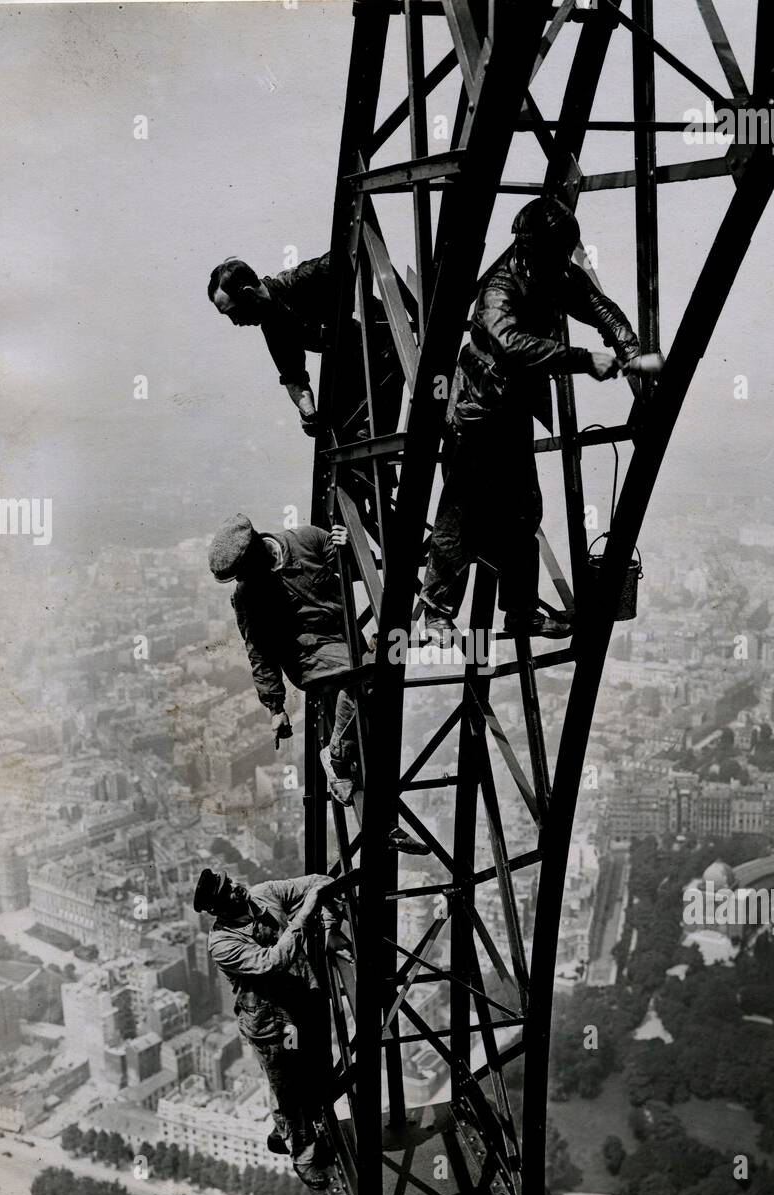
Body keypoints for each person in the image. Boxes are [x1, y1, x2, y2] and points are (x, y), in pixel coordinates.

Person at [420, 195, 643, 642]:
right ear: (534, 249)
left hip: (511, 411)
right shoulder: (499, 289)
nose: (563, 264)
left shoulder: (551, 272)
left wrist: (628, 347)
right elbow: (511, 346)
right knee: (460, 513)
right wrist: (585, 360)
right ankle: (435, 612)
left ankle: (520, 612)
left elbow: (598, 306)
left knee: (524, 513)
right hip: (478, 413)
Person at [208, 511, 428, 854]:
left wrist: (349, 548)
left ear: (255, 550)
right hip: (307, 658)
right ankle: (343, 763)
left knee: (371, 694)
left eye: (243, 571)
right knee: (370, 676)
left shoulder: (306, 539)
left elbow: (352, 571)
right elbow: (260, 650)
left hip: (344, 640)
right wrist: (275, 707)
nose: (243, 579)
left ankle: (370, 802)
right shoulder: (248, 594)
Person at [195, 867, 347, 1190]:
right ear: (217, 909)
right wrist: (306, 912)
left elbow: (321, 883)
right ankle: (303, 1158)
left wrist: (331, 927)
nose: (237, 887)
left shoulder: (263, 894)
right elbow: (273, 961)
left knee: (313, 1073)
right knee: (288, 1089)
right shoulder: (222, 943)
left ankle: (285, 1130)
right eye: (228, 891)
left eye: (232, 881)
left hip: (302, 1002)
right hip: (270, 1023)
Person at [207, 252, 402, 446]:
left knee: (365, 439)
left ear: (248, 293)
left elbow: (354, 250)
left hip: (388, 342)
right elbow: (294, 380)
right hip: (352, 365)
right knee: (349, 443)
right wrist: (309, 413)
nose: (235, 323)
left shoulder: (301, 280)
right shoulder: (273, 328)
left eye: (233, 313)